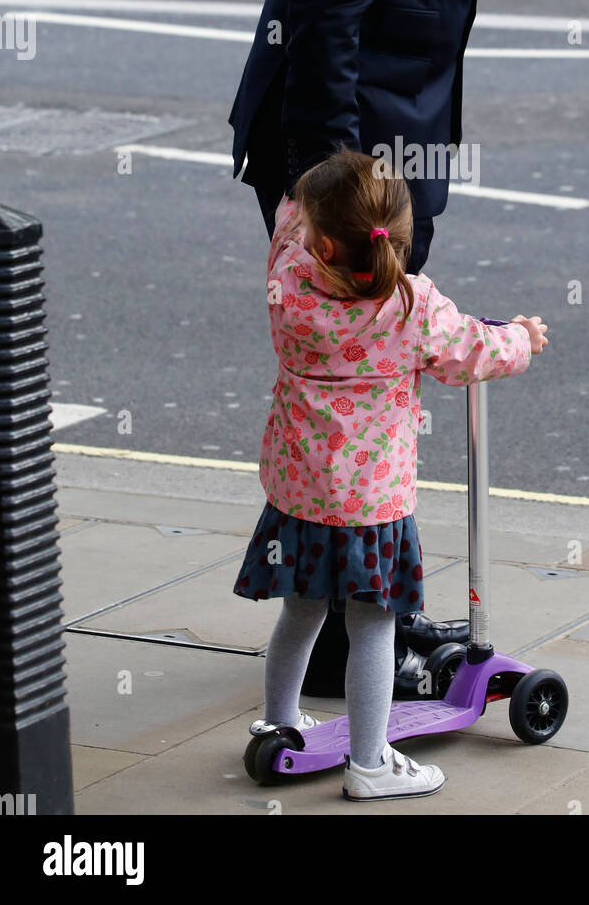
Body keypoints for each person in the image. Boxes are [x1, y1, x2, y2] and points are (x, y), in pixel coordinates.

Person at [228, 0, 589, 695]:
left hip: (380, 140)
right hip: (348, 160)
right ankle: (357, 635)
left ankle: (350, 611)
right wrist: (340, 206)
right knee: (357, 396)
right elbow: (328, 7)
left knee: (343, 400)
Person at [233, 146, 547, 799]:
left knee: (302, 610)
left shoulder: (287, 281)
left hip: (298, 491)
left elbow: (293, 220)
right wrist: (520, 336)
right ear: (398, 241)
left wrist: (302, 195)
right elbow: (473, 352)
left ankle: (279, 720)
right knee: (373, 627)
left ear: (316, 241)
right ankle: (370, 763)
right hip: (372, 504)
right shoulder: (410, 306)